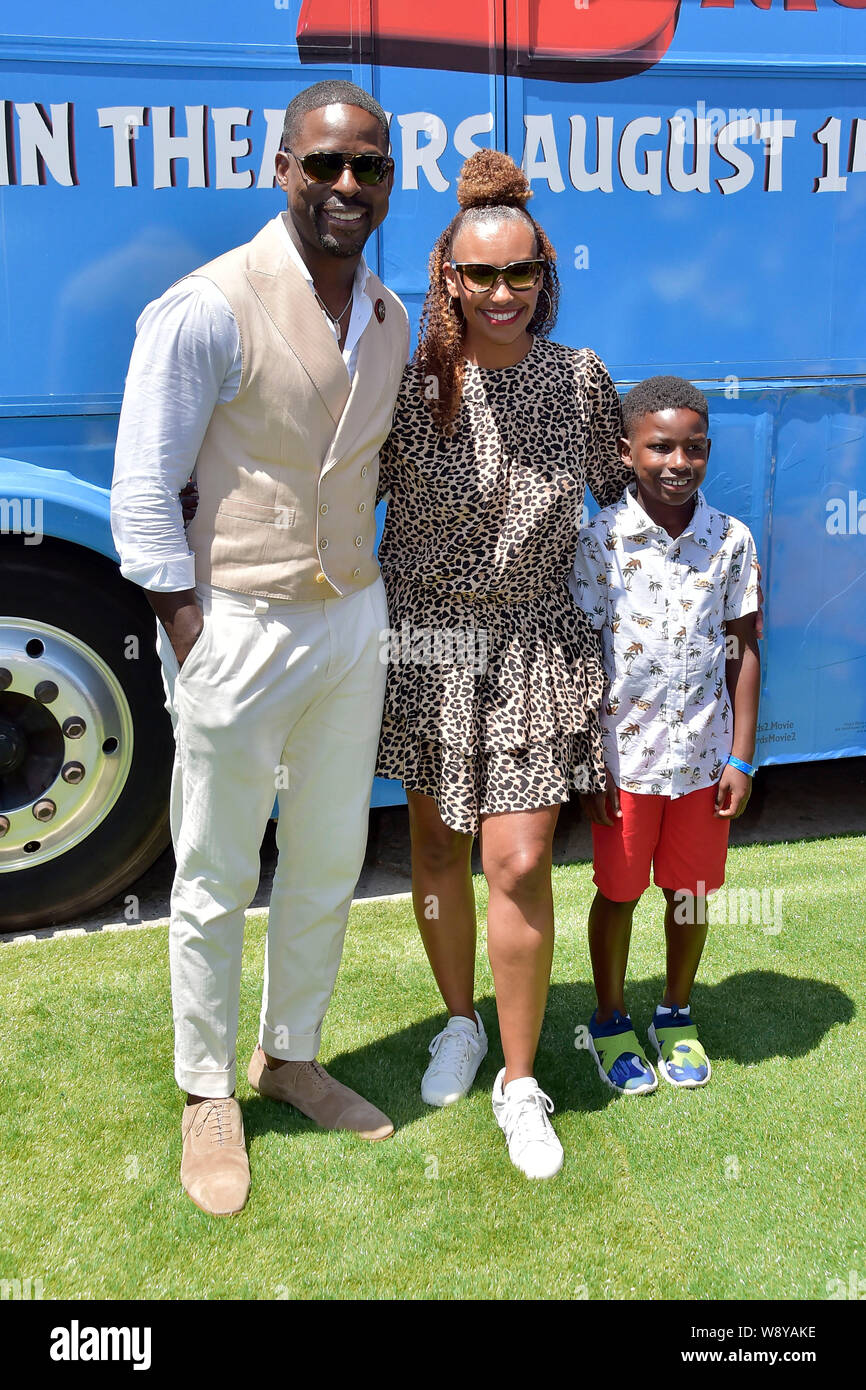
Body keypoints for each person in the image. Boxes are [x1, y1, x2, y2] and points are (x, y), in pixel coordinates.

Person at [110, 81, 409, 1216]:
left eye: (367, 168)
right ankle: (205, 1091)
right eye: (323, 164)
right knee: (217, 870)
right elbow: (143, 487)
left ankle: (287, 1056)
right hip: (235, 618)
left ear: (387, 180)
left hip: (349, 617)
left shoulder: (383, 314)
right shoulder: (207, 305)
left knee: (330, 854)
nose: (345, 186)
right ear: (281, 167)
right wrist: (190, 632)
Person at [375, 150, 631, 1179]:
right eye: (478, 276)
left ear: (544, 275)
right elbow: (345, 515)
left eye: (518, 273)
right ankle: (457, 1021)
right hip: (430, 642)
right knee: (436, 851)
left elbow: (626, 514)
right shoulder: (406, 388)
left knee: (518, 858)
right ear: (446, 278)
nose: (499, 294)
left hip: (533, 640)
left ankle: (519, 1079)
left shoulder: (579, 380)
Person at [572, 375, 761, 1094]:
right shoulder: (601, 541)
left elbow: (744, 650)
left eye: (694, 448)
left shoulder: (730, 542)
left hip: (703, 765)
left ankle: (675, 1013)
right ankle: (611, 1018)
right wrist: (586, 761)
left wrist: (741, 756)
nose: (677, 463)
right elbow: (579, 656)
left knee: (689, 893)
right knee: (618, 892)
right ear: (627, 452)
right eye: (660, 447)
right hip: (625, 765)